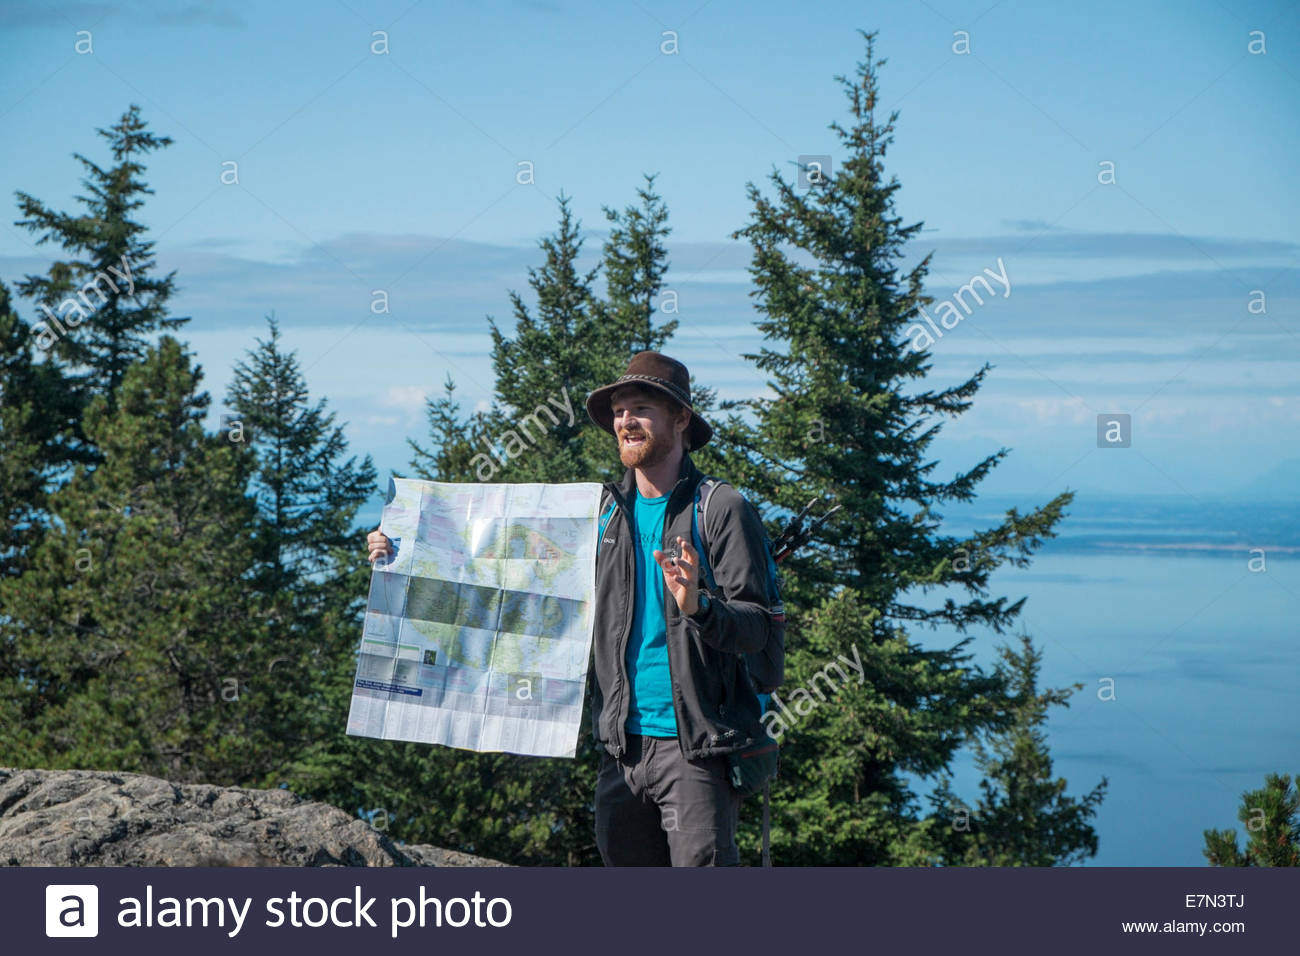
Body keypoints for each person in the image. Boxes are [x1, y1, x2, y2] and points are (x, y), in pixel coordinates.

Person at [366, 351, 776, 866]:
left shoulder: (720, 509)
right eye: (620, 411)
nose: (626, 421)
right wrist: (403, 549)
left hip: (694, 752)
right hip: (619, 751)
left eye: (641, 408)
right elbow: (497, 566)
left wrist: (698, 605)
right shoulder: (600, 513)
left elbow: (757, 628)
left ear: (681, 419)